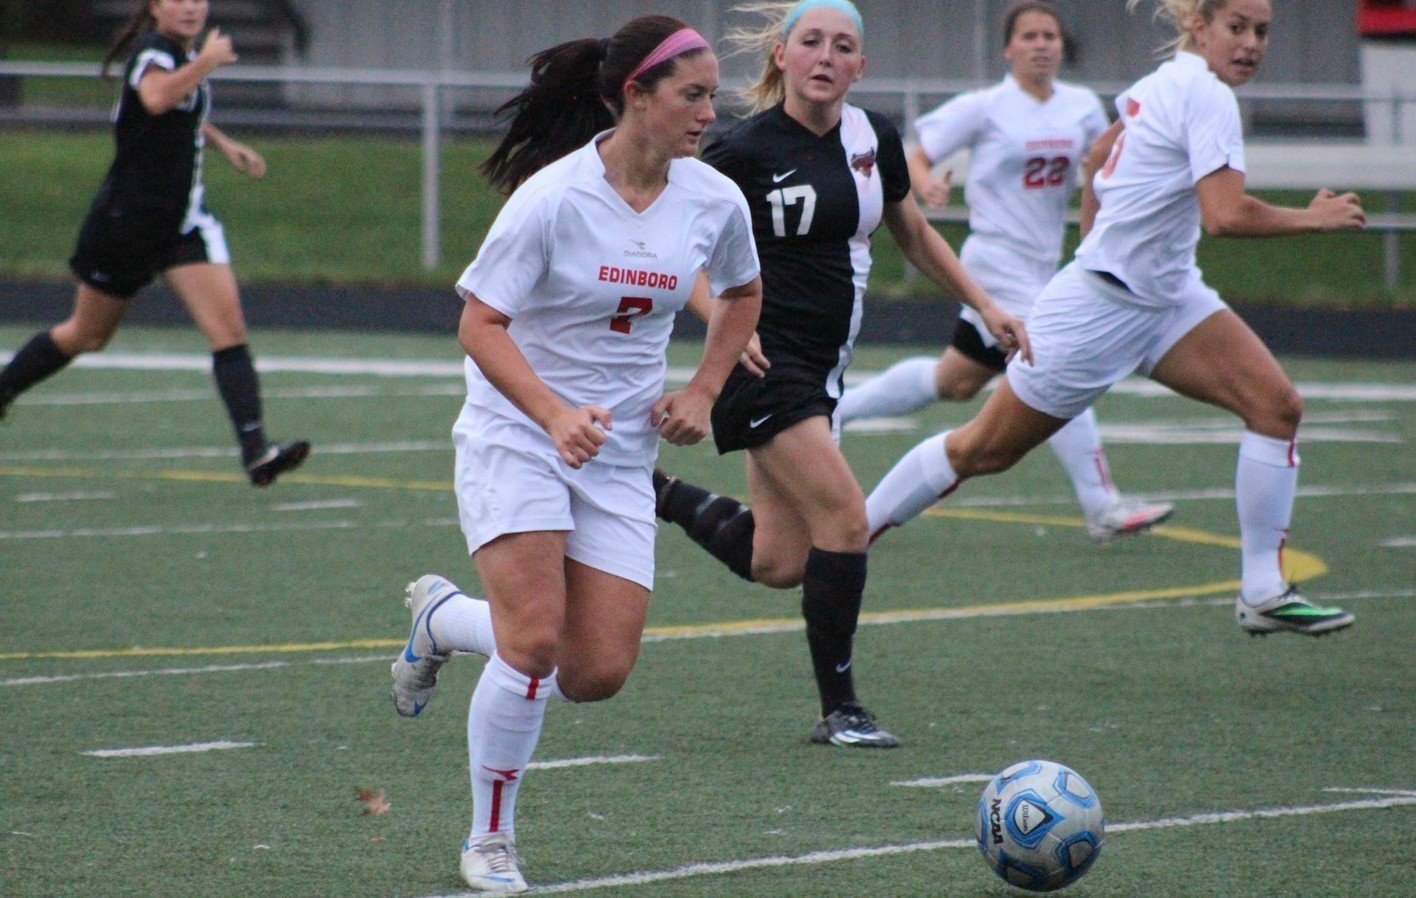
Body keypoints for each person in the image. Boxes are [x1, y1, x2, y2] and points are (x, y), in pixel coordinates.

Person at [388, 16, 761, 893]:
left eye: (712, 95)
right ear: (634, 95)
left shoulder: (712, 199)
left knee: (596, 670)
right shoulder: (553, 197)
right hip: (518, 433)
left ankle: (440, 620)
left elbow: (743, 292)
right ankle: (490, 839)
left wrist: (702, 391)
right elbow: (478, 324)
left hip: (619, 453)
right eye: (692, 95)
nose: (708, 112)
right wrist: (552, 412)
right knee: (532, 642)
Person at [865, 0, 1364, 636]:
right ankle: (850, 530)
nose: (1250, 44)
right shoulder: (1205, 96)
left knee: (1277, 408)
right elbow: (1225, 215)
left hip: (1167, 298)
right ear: (1199, 26)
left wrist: (1097, 242)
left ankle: (1263, 591)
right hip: (1100, 310)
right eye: (1235, 27)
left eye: (1261, 31)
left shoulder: (1163, 83)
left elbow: (1098, 156)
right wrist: (1313, 218)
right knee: (980, 450)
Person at [652, 0, 1028, 750]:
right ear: (782, 58)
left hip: (820, 368)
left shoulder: (872, 137)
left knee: (778, 561)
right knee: (846, 522)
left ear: (860, 66)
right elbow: (675, 247)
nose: (825, 56)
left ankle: (649, 489)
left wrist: (985, 305)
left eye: (843, 46)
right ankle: (842, 710)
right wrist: (733, 324)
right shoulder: (745, 150)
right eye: (811, 42)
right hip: (760, 365)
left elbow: (912, 232)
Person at [835, 1, 1175, 544]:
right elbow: (919, 156)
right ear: (1007, 48)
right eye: (1030, 36)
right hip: (993, 262)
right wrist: (926, 185)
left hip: (1044, 266)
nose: (1042, 44)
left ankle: (837, 412)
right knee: (1055, 356)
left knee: (954, 381)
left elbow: (1104, 164)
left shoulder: (1082, 106)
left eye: (1050, 35)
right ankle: (1101, 504)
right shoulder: (987, 106)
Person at [0, 0, 309, 487]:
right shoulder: (154, 52)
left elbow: (178, 111)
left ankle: (257, 452)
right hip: (126, 223)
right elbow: (155, 98)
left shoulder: (181, 56)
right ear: (154, 7)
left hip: (182, 224)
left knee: (228, 330)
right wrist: (207, 61)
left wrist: (222, 142)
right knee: (87, 334)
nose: (190, 7)